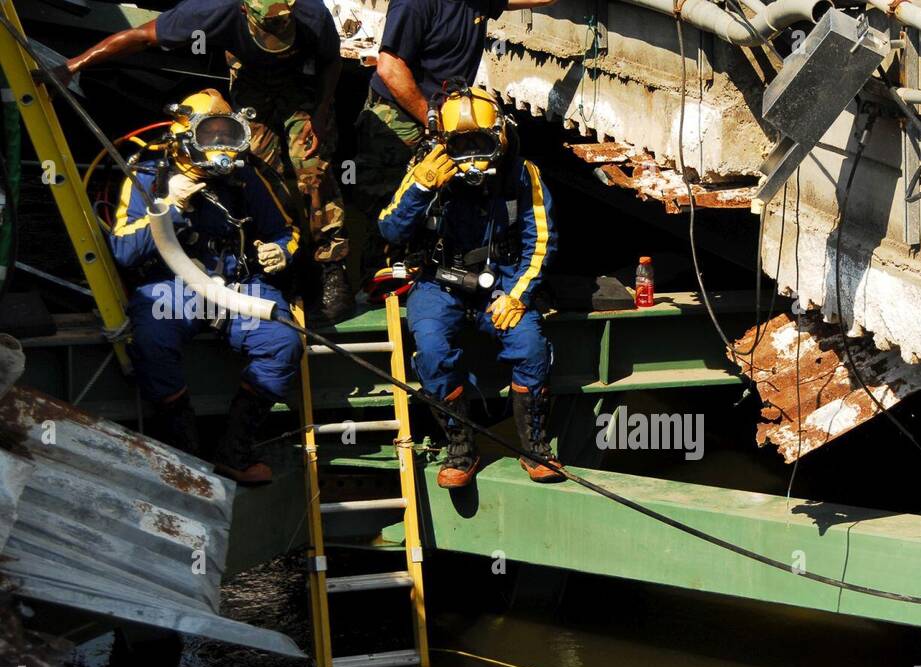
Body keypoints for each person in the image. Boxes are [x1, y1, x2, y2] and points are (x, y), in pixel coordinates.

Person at [58, 0, 353, 323]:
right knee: (252, 165)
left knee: (312, 169)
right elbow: (142, 36)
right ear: (244, 12)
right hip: (252, 82)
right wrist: (74, 65)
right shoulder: (215, 9)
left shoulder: (312, 13)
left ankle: (330, 268)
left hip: (303, 83)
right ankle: (279, 262)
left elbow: (330, 61)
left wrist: (323, 110)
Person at [109, 89, 303, 485]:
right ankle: (186, 451)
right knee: (151, 343)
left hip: (238, 285)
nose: (220, 149)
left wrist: (282, 252)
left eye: (227, 136)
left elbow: (286, 230)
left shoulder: (246, 175)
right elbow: (124, 251)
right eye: (208, 136)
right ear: (185, 139)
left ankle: (234, 449)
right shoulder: (148, 175)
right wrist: (169, 207)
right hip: (173, 288)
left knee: (282, 341)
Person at [377, 85, 561, 487]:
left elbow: (541, 240)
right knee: (431, 349)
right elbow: (389, 227)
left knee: (530, 346)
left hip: (501, 284)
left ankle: (534, 445)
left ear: (501, 136)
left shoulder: (521, 175)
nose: (474, 155)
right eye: (463, 144)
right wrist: (420, 187)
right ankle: (461, 447)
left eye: (482, 142)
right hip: (438, 284)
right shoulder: (427, 171)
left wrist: (518, 294)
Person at [353, 0, 556, 230]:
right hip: (400, 118)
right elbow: (390, 68)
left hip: (443, 119)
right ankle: (380, 263)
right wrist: (436, 123)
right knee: (389, 212)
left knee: (438, 206)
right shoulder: (414, 5)